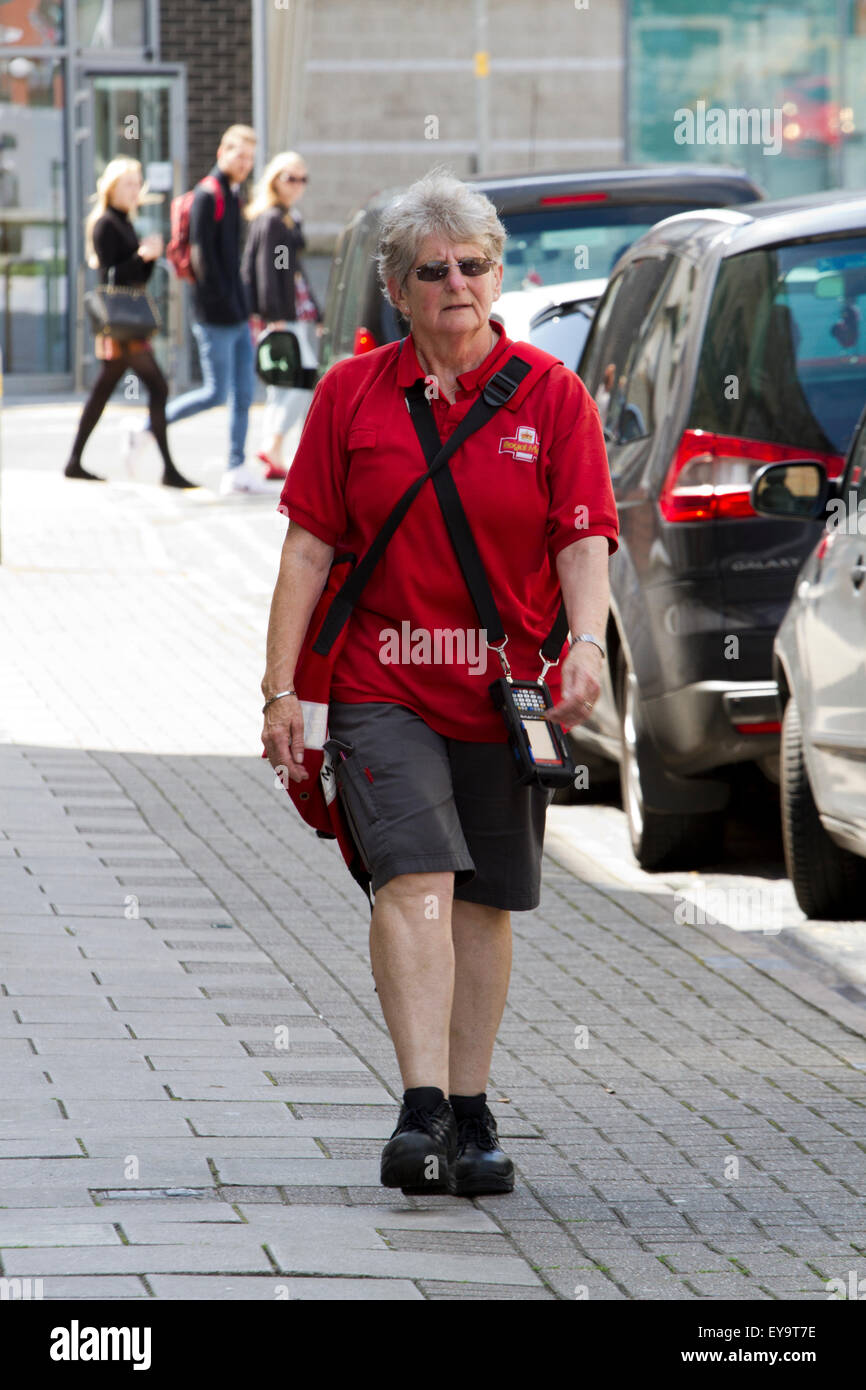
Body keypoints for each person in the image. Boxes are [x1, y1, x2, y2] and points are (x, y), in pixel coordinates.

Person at [261, 170, 619, 1198]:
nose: (457, 282)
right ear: (397, 287)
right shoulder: (349, 395)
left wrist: (583, 646)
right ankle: (419, 1109)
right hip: (383, 683)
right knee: (412, 875)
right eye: (434, 269)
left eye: (475, 264)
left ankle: (471, 1107)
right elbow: (306, 551)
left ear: (497, 275)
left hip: (503, 692)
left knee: (482, 900)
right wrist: (280, 689)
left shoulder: (551, 398)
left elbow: (580, 535)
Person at [133, 125, 265, 495]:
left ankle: (236, 467)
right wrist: (223, 303)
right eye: (240, 155)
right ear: (223, 150)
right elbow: (202, 257)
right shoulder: (209, 194)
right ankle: (147, 427)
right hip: (215, 313)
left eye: (250, 158)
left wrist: (244, 306)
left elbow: (232, 258)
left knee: (243, 393)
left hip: (237, 312)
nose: (245, 164)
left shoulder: (233, 193)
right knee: (214, 392)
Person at [64, 157, 194, 487]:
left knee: (105, 389)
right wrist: (142, 256)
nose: (135, 190)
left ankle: (75, 460)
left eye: (138, 183)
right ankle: (168, 469)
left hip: (125, 323)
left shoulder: (124, 222)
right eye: (129, 184)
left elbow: (137, 276)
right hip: (121, 322)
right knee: (157, 387)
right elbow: (113, 274)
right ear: (112, 187)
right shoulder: (107, 223)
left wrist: (146, 258)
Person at [242, 150, 321, 480]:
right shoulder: (273, 219)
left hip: (295, 310)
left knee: (283, 383)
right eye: (291, 178)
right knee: (303, 379)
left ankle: (271, 449)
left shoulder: (285, 217)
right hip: (284, 313)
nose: (297, 184)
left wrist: (317, 312)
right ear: (274, 180)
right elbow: (269, 269)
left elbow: (295, 268)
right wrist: (273, 313)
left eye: (303, 179)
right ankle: (273, 444)